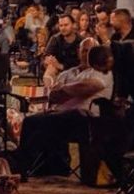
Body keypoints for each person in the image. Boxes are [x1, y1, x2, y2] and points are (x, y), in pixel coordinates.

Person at [14, 45, 112, 178]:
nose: (87, 54)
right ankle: (38, 166)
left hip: (87, 119)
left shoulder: (101, 71)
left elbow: (89, 86)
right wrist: (67, 89)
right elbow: (54, 93)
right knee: (31, 121)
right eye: (84, 50)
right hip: (63, 114)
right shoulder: (70, 73)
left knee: (39, 122)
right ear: (78, 52)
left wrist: (65, 89)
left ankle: (26, 167)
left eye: (90, 50)